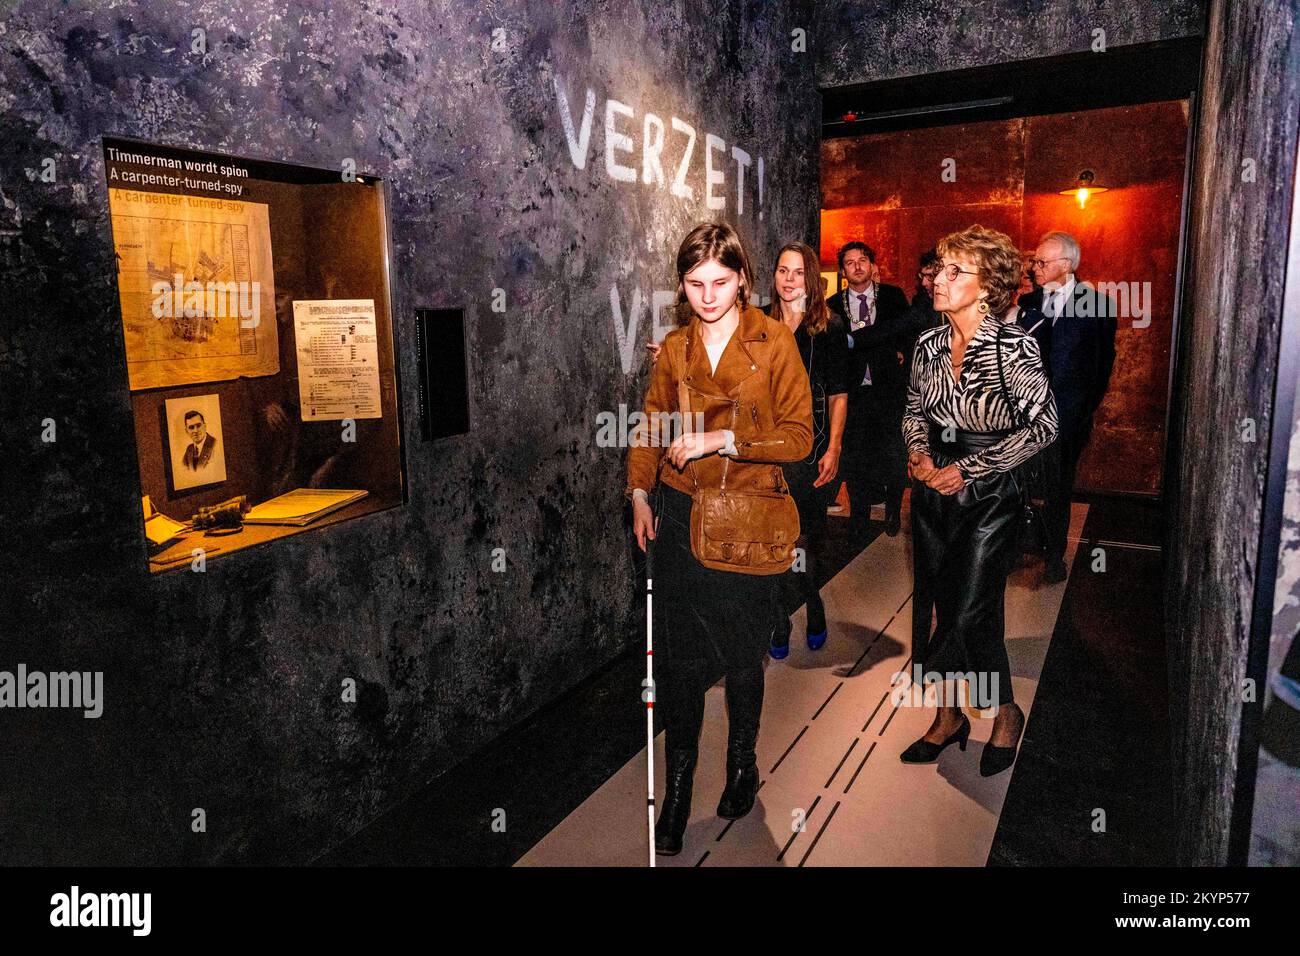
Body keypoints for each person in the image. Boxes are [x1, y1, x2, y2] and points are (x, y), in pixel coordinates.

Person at [626, 222, 812, 855]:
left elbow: (799, 437)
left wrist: (723, 439)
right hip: (680, 519)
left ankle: (742, 764)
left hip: (747, 521)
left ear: (743, 281)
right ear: (683, 285)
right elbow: (651, 421)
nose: (708, 296)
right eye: (695, 283)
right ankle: (678, 787)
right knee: (677, 665)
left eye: (721, 283)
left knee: (742, 656)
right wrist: (640, 492)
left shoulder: (775, 341)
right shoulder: (676, 348)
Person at [902, 224, 1059, 777]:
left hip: (991, 494)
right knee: (952, 604)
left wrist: (967, 468)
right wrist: (919, 455)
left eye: (953, 272)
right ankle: (951, 717)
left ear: (987, 285)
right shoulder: (926, 343)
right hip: (932, 497)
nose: (937, 281)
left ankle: (1002, 709)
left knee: (968, 606)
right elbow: (915, 411)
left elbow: (1044, 427)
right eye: (938, 270)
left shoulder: (1014, 344)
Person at [1017, 231, 1118, 583]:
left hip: (1068, 418)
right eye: (1034, 262)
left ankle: (1053, 556)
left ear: (1066, 265)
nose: (1034, 268)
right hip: (1024, 416)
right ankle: (1021, 546)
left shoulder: (1098, 304)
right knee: (1022, 483)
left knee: (1058, 488)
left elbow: (1103, 365)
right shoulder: (1028, 304)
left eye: (1041, 263)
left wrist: (1082, 409)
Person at [765, 241, 849, 657]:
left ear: (811, 278)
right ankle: (779, 618)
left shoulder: (829, 327)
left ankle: (812, 603)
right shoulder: (758, 322)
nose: (789, 279)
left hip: (810, 449)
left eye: (798, 272)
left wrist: (833, 448)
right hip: (763, 448)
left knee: (802, 542)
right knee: (769, 541)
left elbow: (838, 394)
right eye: (783, 270)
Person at [826, 242, 912, 537]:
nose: (857, 266)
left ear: (873, 265)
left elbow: (905, 330)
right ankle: (859, 517)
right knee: (857, 456)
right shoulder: (832, 305)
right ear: (842, 271)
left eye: (863, 260)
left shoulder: (892, 296)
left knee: (894, 454)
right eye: (850, 263)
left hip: (889, 389)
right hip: (853, 394)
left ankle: (892, 510)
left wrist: (897, 349)